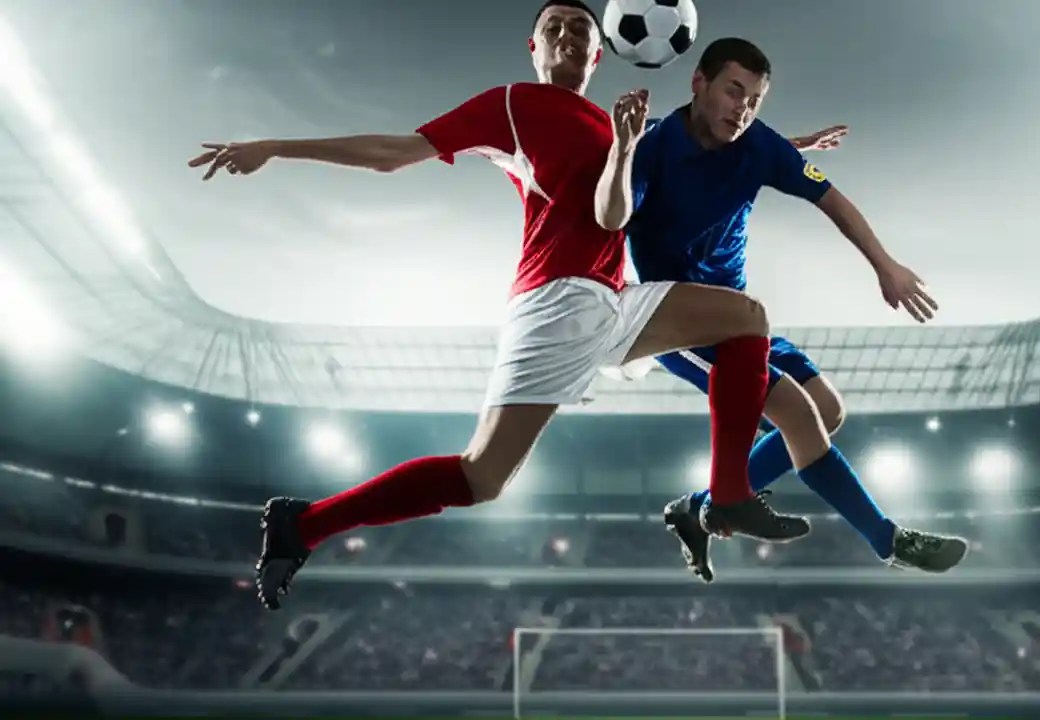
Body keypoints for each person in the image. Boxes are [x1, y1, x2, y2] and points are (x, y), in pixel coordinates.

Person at [188, 1, 809, 611]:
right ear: (533, 48)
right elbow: (396, 152)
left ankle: (728, 492)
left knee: (744, 315)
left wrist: (778, 151)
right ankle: (305, 524)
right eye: (553, 28)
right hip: (558, 304)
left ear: (600, 52)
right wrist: (276, 145)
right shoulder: (512, 104)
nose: (567, 35)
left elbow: (691, 160)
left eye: (580, 30)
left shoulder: (607, 125)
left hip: (611, 302)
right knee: (480, 478)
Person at [597, 38, 969, 582]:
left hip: (737, 318)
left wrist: (885, 266)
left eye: (754, 100)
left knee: (828, 410)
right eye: (733, 91)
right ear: (697, 82)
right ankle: (887, 540)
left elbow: (834, 201)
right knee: (796, 414)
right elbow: (613, 212)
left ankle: (697, 507)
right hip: (676, 317)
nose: (742, 109)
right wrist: (622, 151)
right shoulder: (650, 145)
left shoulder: (759, 145)